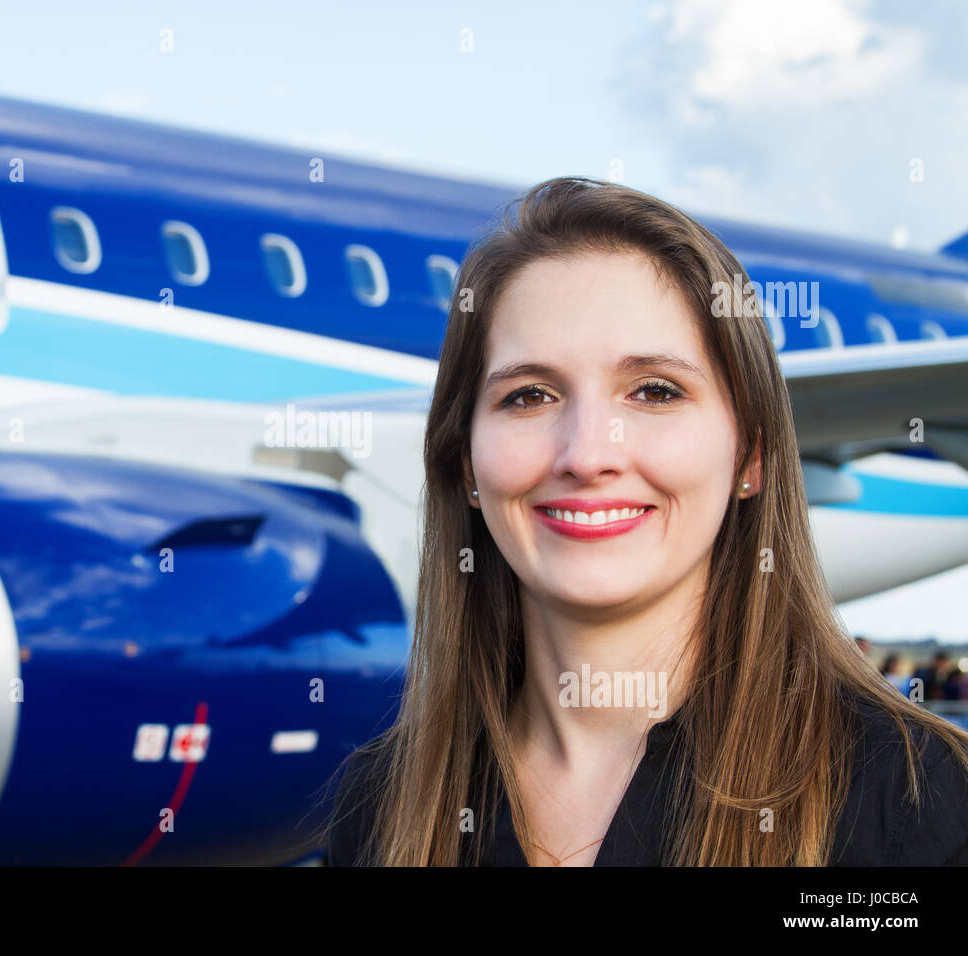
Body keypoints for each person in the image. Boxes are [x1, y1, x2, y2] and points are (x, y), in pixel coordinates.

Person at [323, 176, 968, 866]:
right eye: (530, 395)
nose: (589, 454)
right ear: (466, 466)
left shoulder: (912, 801)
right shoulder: (382, 805)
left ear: (749, 455)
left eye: (655, 391)